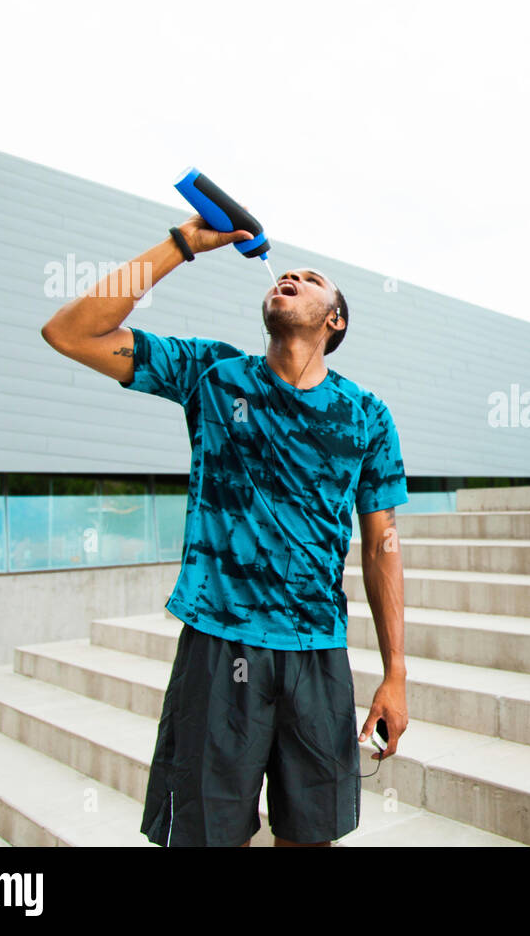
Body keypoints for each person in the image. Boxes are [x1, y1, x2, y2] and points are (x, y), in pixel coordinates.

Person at [40, 214, 408, 846]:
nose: (290, 275)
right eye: (286, 273)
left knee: (311, 835)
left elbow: (380, 545)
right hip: (218, 644)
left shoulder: (367, 417)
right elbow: (69, 333)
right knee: (208, 835)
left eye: (311, 278)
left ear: (334, 320)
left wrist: (395, 673)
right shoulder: (213, 377)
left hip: (316, 652)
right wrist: (183, 246)